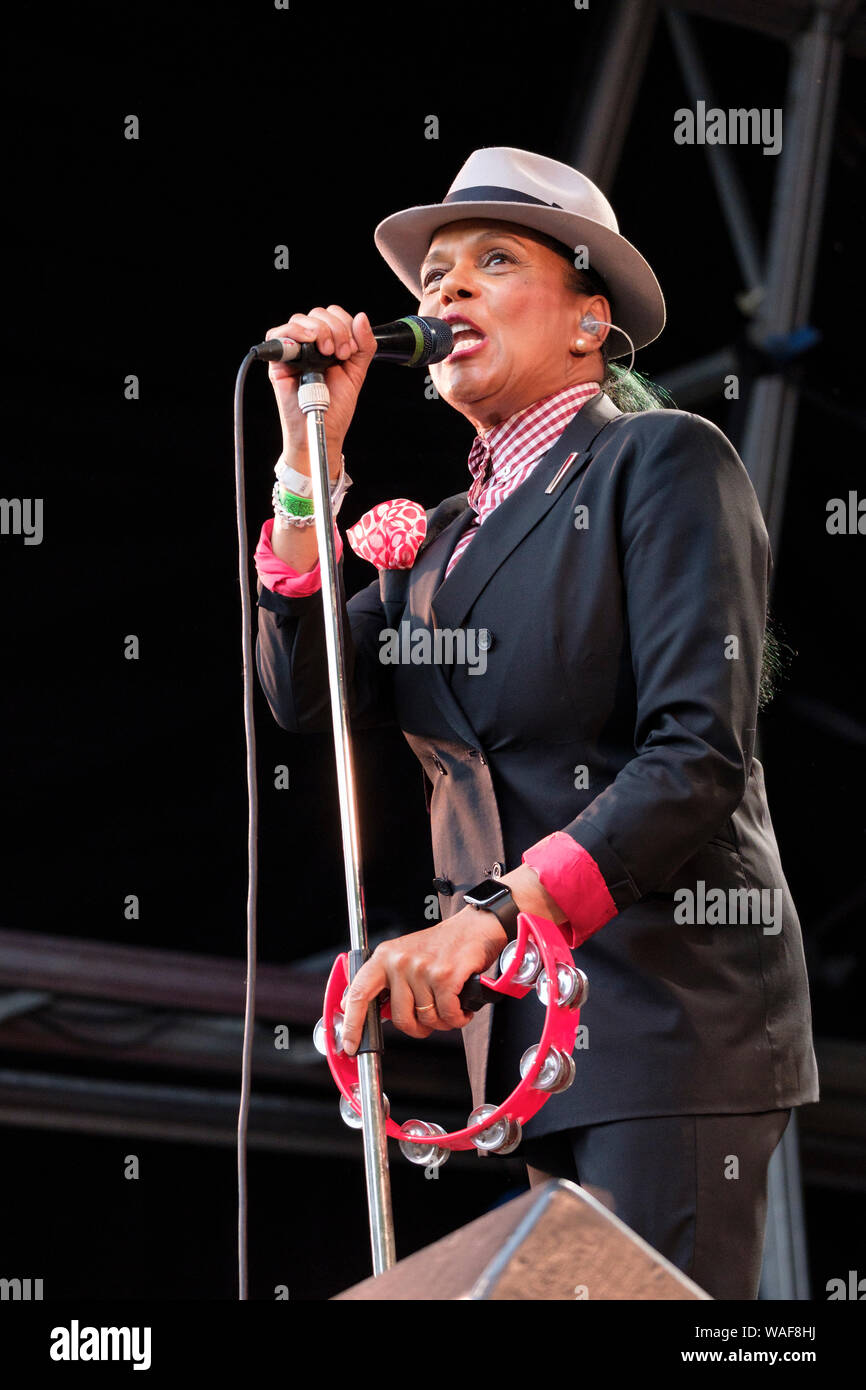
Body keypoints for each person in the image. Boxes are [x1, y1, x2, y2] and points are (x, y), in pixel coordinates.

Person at [254, 147, 819, 1300]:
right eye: (432, 279)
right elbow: (297, 694)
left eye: (490, 263)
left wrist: (495, 915)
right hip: (528, 1034)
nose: (442, 293)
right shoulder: (446, 531)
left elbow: (697, 756)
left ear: (587, 323)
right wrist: (305, 466)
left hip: (665, 1009)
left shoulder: (657, 460)